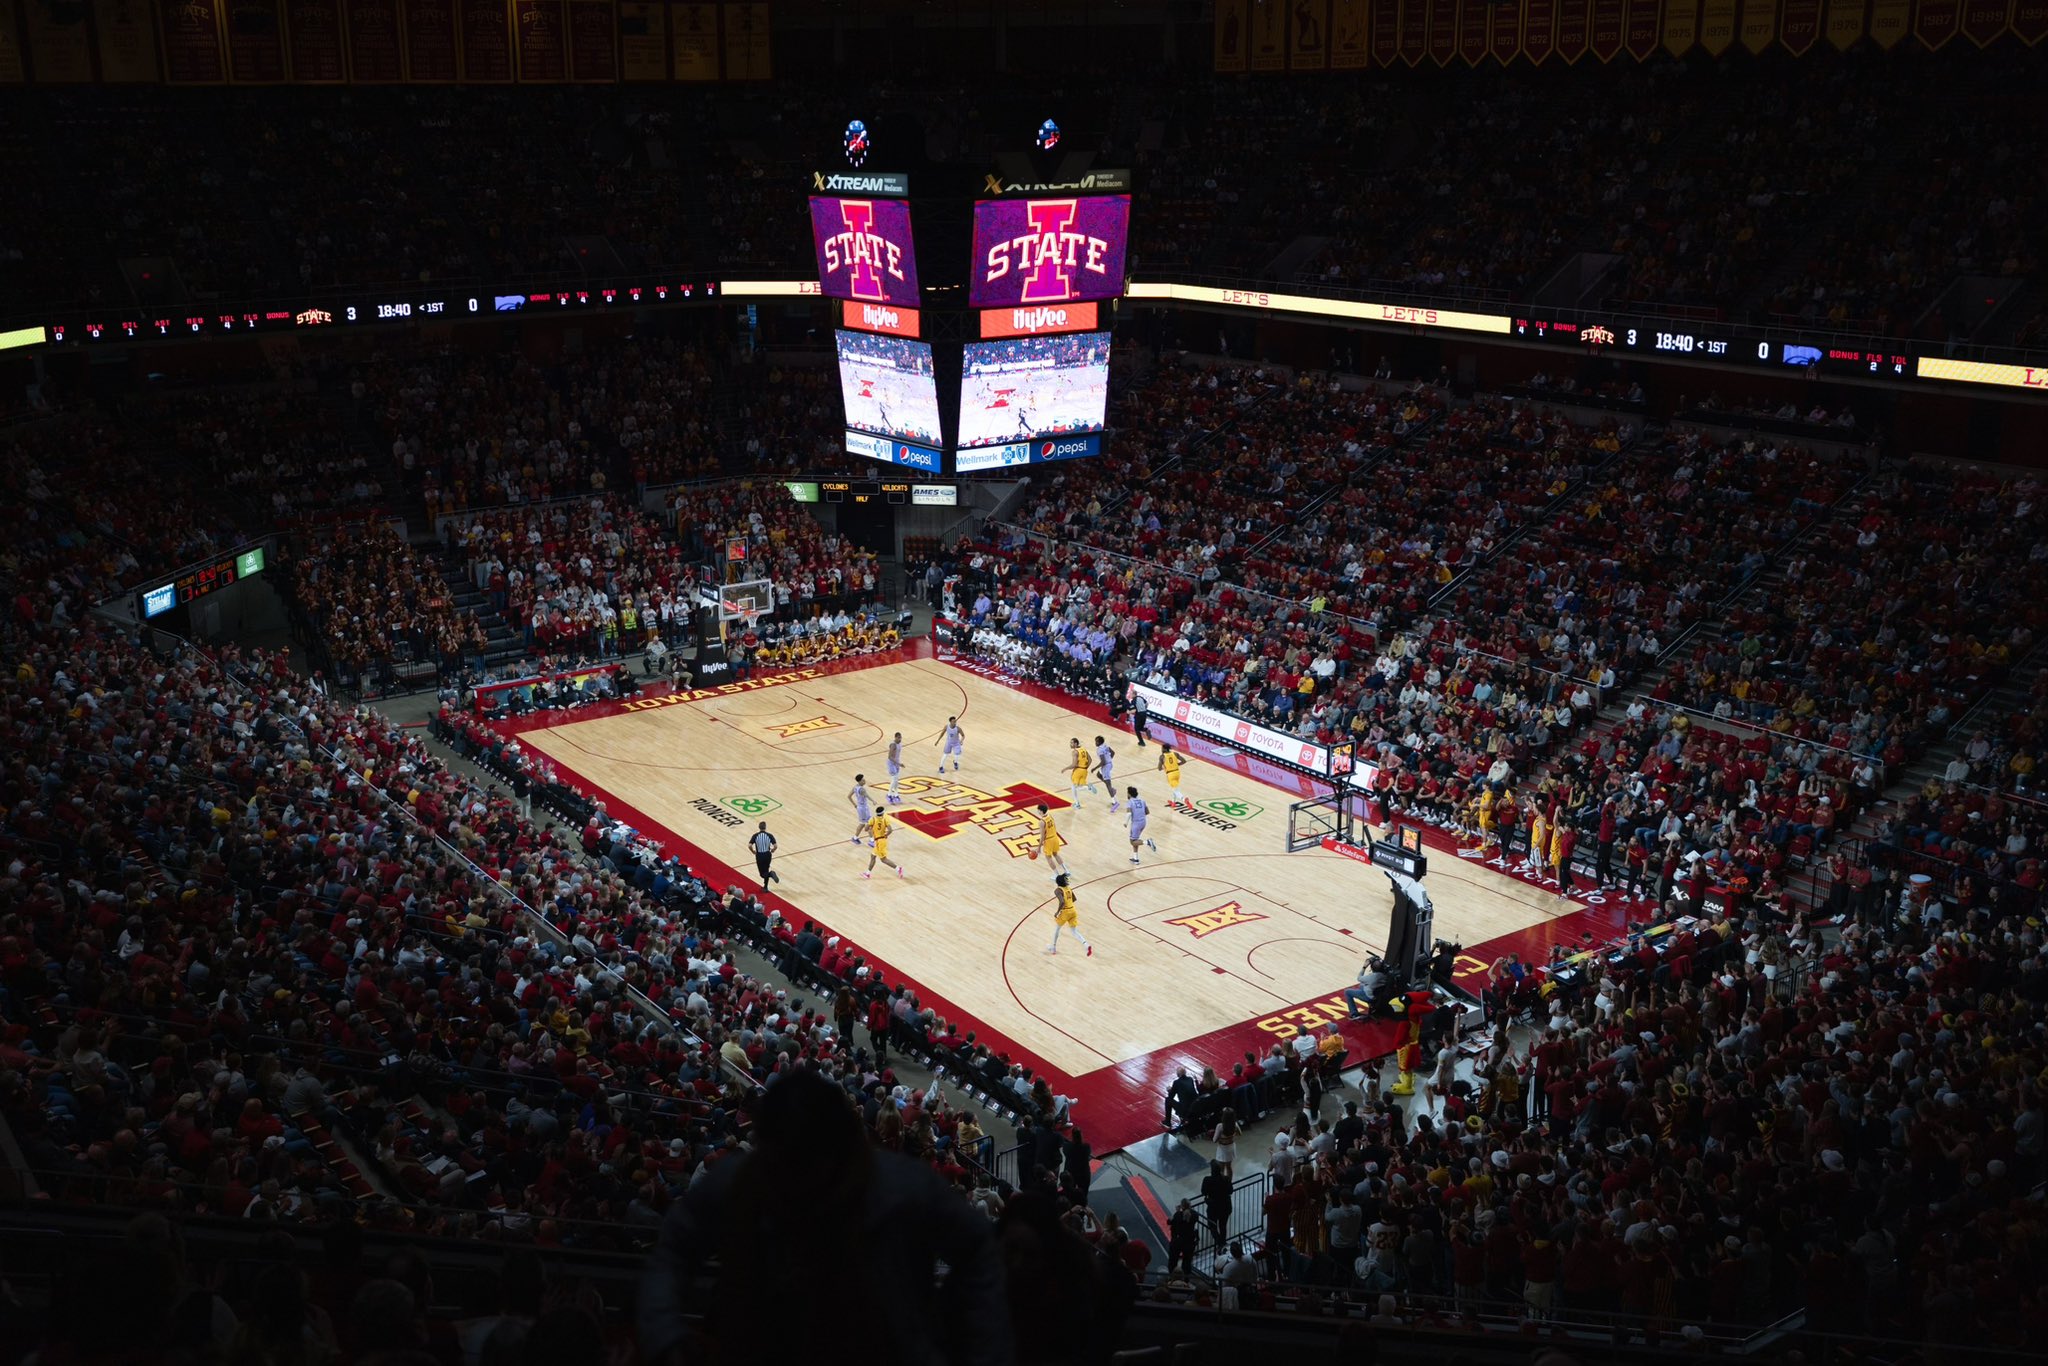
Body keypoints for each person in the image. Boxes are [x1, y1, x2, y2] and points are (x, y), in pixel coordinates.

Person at [638, 1070, 1011, 1366]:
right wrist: (666, 1337)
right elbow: (672, 1251)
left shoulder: (903, 1185)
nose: (797, 1170)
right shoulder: (742, 1181)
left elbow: (980, 1251)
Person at [1045, 873, 1092, 956]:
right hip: (1073, 910)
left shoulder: (1058, 890)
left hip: (1065, 912)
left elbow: (1062, 902)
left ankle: (1053, 948)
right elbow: (1074, 899)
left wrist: (1057, 912)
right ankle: (1086, 945)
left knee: (1057, 929)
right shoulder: (1068, 888)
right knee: (1074, 931)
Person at [863, 809, 904, 880]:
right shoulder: (885, 820)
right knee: (873, 856)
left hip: (879, 842)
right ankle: (867, 873)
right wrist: (886, 834)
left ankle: (898, 869)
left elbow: (866, 829)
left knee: (883, 859)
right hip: (882, 840)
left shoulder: (872, 819)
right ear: (882, 813)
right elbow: (890, 830)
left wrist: (870, 827)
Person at [1035, 803, 1071, 878]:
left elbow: (1042, 836)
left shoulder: (1041, 822)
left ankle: (1057, 875)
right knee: (1056, 854)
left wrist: (1038, 848)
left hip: (1048, 840)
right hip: (1055, 837)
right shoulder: (1050, 816)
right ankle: (1067, 871)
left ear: (1041, 811)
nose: (1037, 811)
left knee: (1048, 857)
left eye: (1038, 810)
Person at [1158, 743, 1193, 812]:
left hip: (1170, 774)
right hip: (1177, 773)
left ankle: (1184, 799)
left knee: (1176, 790)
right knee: (1174, 789)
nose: (1161, 749)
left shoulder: (1162, 756)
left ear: (1164, 749)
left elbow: (1159, 768)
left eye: (1162, 748)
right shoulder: (1175, 754)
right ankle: (1173, 802)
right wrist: (1177, 764)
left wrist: (1164, 767)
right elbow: (1184, 761)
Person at [1124, 786, 1155, 864]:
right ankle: (1136, 859)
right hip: (1143, 822)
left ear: (1129, 794)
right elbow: (1147, 812)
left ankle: (1147, 842)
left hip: (1136, 824)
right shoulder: (1142, 800)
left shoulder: (1130, 802)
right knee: (1136, 840)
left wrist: (1125, 823)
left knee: (1132, 842)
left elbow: (1129, 813)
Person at [749, 821, 780, 888]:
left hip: (760, 855)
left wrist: (753, 851)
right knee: (766, 870)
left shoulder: (755, 835)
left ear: (759, 827)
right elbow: (775, 846)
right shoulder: (770, 835)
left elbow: (749, 845)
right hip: (768, 855)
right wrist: (773, 850)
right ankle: (765, 887)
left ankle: (771, 874)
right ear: (765, 827)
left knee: (762, 874)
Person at [1093, 736, 1119, 813]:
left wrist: (1094, 768)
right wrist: (1109, 759)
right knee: (1098, 775)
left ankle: (1115, 802)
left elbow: (1103, 762)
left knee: (1108, 785)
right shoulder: (1105, 745)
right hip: (1110, 764)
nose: (1095, 743)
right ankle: (1112, 790)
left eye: (1096, 741)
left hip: (1105, 767)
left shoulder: (1099, 750)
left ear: (1100, 742)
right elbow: (1113, 753)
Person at [848, 773, 875, 844]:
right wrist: (873, 801)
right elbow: (867, 796)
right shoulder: (862, 789)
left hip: (861, 807)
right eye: (863, 780)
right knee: (869, 823)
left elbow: (849, 796)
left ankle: (855, 838)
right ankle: (872, 840)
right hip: (863, 808)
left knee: (862, 824)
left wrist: (855, 805)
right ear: (859, 781)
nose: (864, 781)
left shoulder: (855, 787)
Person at [1066, 738, 1094, 807]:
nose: (1070, 744)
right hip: (1084, 771)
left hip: (1078, 771)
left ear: (1075, 744)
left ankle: (1077, 803)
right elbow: (1090, 760)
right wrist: (1085, 768)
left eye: (1072, 743)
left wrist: (1065, 768)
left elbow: (1074, 765)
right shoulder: (1083, 749)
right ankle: (1088, 788)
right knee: (1079, 786)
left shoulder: (1075, 752)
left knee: (1073, 787)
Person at [886, 732, 905, 805]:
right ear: (895, 737)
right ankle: (889, 794)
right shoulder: (893, 745)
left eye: (901, 737)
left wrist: (898, 763)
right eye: (899, 738)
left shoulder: (900, 744)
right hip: (891, 763)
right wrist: (899, 764)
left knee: (896, 781)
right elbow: (890, 757)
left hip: (896, 763)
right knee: (894, 779)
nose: (900, 739)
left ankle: (896, 795)